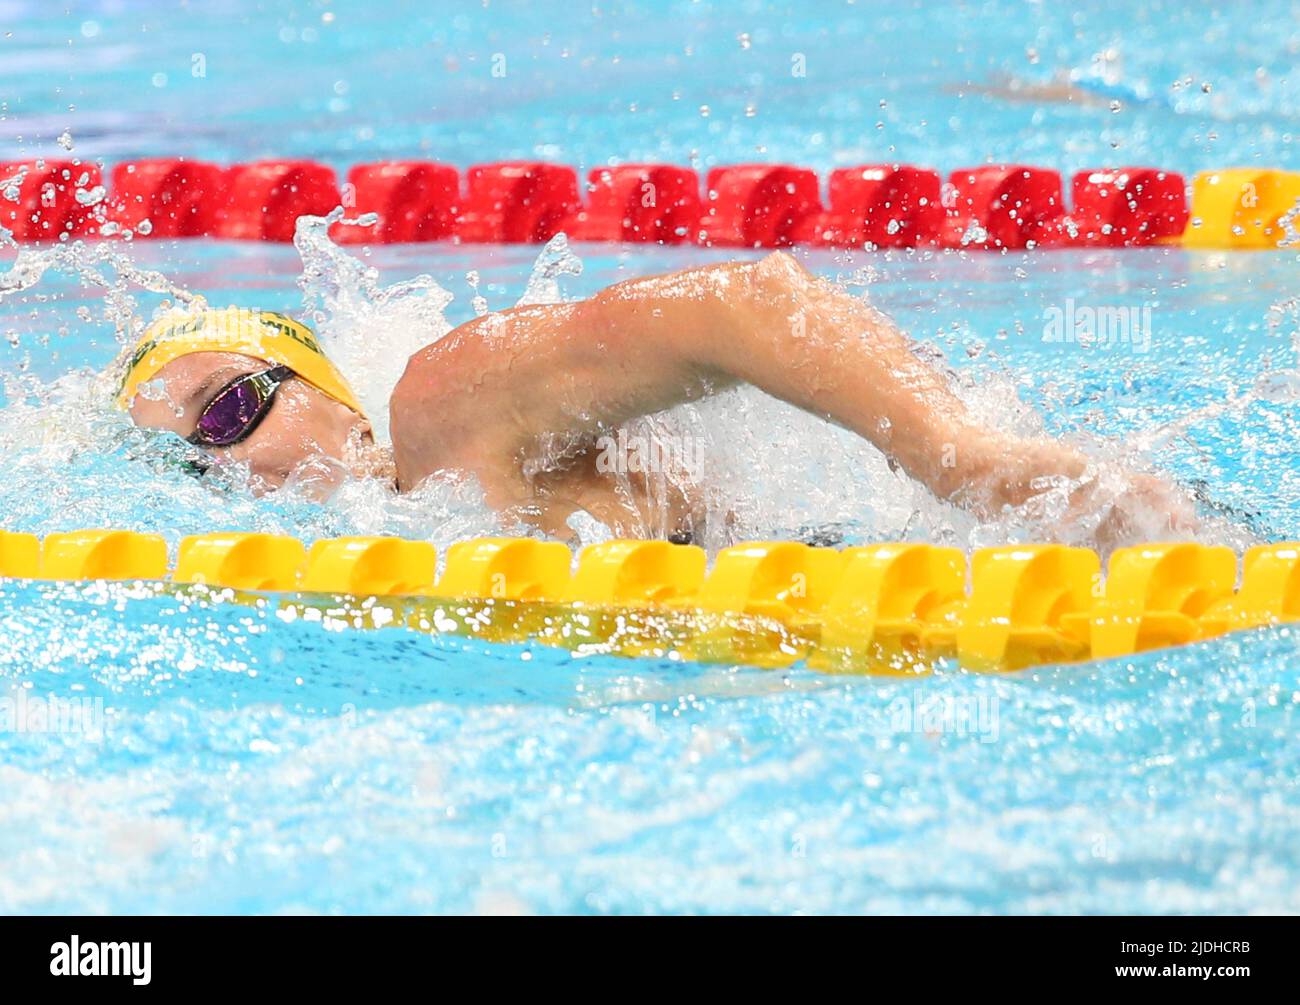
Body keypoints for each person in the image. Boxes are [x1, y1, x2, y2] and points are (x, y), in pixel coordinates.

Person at [119, 252, 1196, 546]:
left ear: (324, 387)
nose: (226, 465)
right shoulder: (381, 535)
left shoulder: (444, 411)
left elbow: (742, 301)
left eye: (226, 413)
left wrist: (956, 455)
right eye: (186, 458)